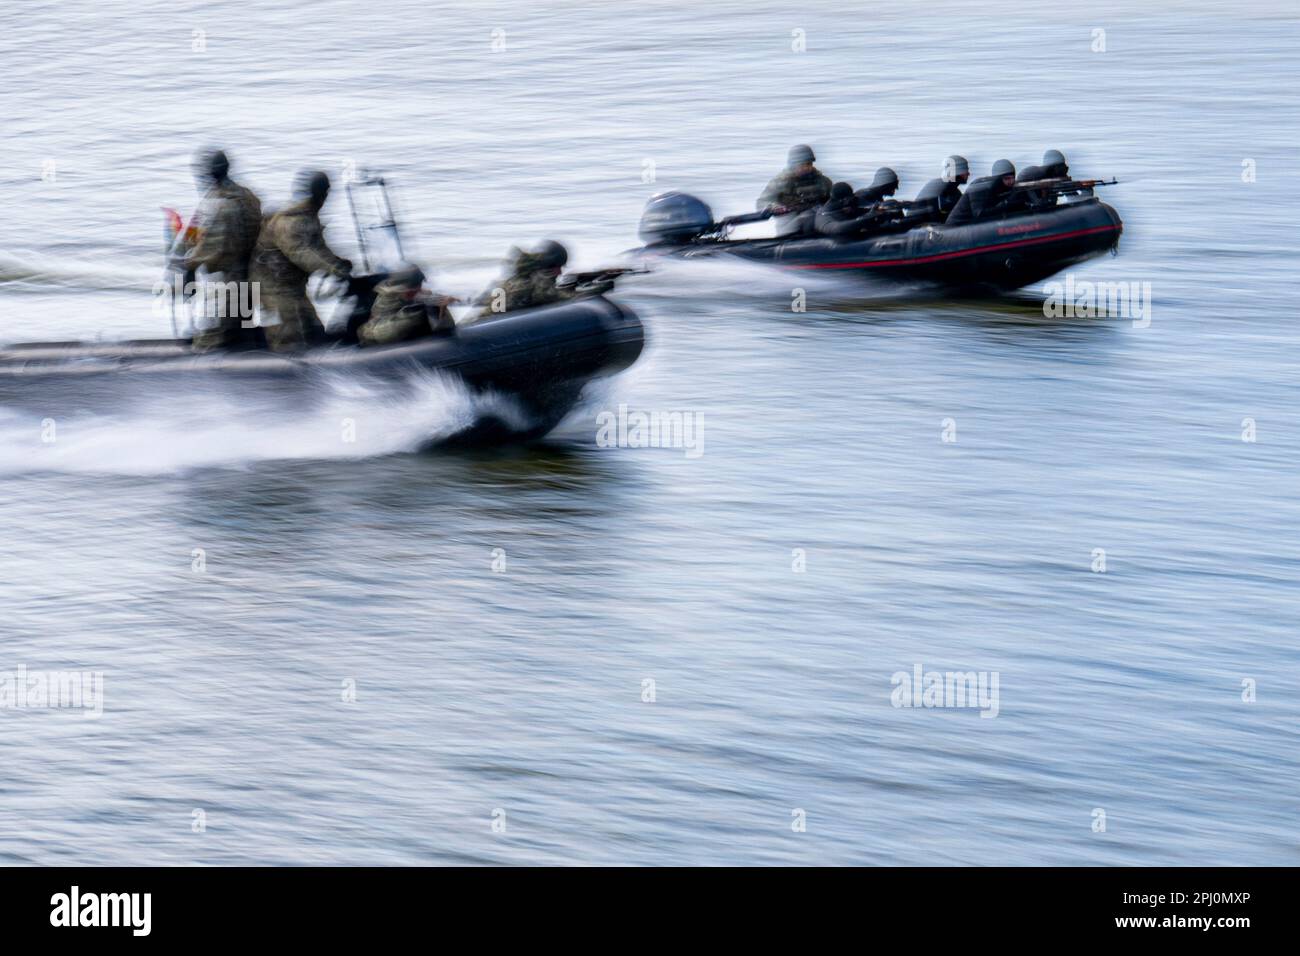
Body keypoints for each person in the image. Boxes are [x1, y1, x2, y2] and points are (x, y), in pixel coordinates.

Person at [250, 169, 352, 351]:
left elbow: (319, 249)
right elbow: (299, 253)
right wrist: (332, 269)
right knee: (289, 336)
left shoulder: (309, 218)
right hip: (272, 288)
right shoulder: (289, 221)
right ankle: (284, 371)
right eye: (324, 192)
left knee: (314, 328)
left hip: (294, 288)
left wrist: (338, 263)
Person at [183, 148, 264, 350]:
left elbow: (204, 245)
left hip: (225, 284)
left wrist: (189, 267)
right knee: (243, 333)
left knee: (212, 341)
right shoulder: (250, 197)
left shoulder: (215, 204)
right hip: (250, 279)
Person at [471, 240, 574, 321]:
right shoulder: (536, 284)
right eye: (557, 267)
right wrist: (584, 293)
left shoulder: (511, 280)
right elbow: (557, 298)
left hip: (484, 321)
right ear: (547, 265)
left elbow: (481, 301)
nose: (560, 273)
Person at [356, 264, 457, 346]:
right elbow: (376, 331)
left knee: (428, 309)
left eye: (420, 285)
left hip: (390, 328)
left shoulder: (412, 292)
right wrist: (432, 303)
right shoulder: (392, 296)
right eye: (416, 287)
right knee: (418, 313)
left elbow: (420, 297)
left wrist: (440, 302)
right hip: (375, 332)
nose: (419, 289)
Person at [756, 145, 833, 236]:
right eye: (802, 165)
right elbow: (761, 203)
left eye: (809, 164)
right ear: (793, 165)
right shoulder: (781, 182)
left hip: (818, 220)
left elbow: (832, 199)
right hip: (789, 225)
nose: (806, 168)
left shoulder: (822, 181)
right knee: (808, 217)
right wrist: (774, 207)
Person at [945, 159, 1019, 225]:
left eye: (1013, 178)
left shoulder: (1004, 189)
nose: (1011, 182)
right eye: (1007, 179)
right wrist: (1005, 204)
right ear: (998, 179)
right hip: (957, 227)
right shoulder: (981, 187)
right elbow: (979, 214)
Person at [815, 182, 887, 238]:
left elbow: (866, 204)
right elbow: (837, 228)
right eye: (850, 198)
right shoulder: (823, 217)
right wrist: (868, 217)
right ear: (844, 199)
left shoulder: (848, 203)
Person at [913, 155, 969, 221]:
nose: (968, 174)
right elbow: (936, 217)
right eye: (966, 170)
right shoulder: (943, 187)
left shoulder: (952, 190)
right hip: (923, 228)